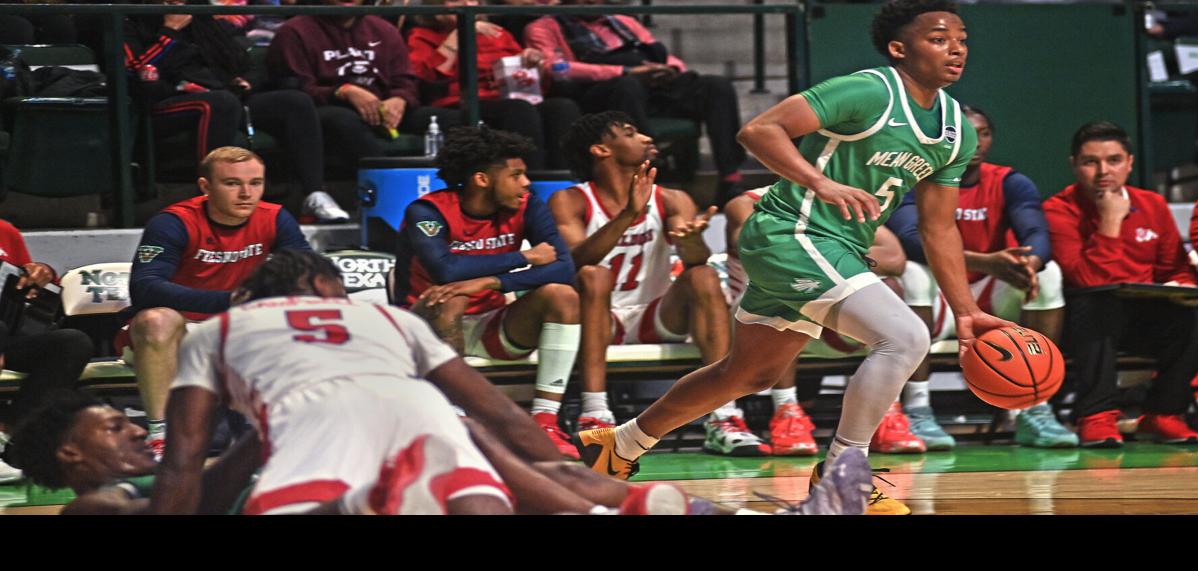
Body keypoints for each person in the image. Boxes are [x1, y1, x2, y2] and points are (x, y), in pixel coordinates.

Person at [576, 0, 1010, 515]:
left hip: (836, 246)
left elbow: (939, 228)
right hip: (791, 230)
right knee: (905, 336)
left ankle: (619, 445)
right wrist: (819, 181)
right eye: (938, 38)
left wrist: (964, 311)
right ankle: (844, 473)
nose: (955, 48)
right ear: (900, 49)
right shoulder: (868, 90)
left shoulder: (956, 130)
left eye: (960, 38)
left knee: (746, 375)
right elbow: (758, 130)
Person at [149, 250, 868, 515]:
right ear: (323, 286)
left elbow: (181, 458)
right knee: (570, 501)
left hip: (315, 447)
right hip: (427, 423)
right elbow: (491, 407)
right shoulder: (384, 321)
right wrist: (558, 467)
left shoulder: (218, 331)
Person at [549, 112, 761, 455]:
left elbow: (695, 261)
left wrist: (692, 241)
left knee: (704, 276)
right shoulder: (570, 200)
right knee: (593, 275)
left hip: (656, 315)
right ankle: (594, 413)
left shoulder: (671, 199)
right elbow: (572, 263)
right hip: (597, 318)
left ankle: (725, 416)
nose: (647, 138)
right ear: (601, 150)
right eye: (631, 133)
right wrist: (627, 216)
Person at [887, 103, 1077, 449]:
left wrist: (1029, 265)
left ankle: (1035, 408)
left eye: (983, 133)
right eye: (965, 132)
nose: (975, 142)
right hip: (939, 297)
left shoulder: (1009, 182)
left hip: (990, 296)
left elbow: (1037, 236)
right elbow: (911, 240)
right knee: (913, 273)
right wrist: (987, 261)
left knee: (1049, 275)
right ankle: (917, 408)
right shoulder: (913, 178)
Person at [393, 125, 582, 457]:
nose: (526, 183)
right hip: (424, 329)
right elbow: (445, 270)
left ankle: (546, 422)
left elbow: (563, 267)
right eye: (516, 175)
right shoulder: (428, 211)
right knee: (452, 297)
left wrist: (493, 282)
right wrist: (524, 257)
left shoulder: (528, 206)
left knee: (562, 295)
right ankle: (455, 420)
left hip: (491, 321)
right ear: (482, 179)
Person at [124, 146, 313, 460]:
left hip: (236, 331)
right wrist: (232, 300)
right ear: (205, 187)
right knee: (155, 320)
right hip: (177, 334)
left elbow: (311, 274)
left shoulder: (275, 217)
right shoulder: (174, 222)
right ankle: (160, 436)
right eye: (232, 184)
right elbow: (145, 288)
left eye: (255, 183)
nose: (246, 194)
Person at [719, 185, 916, 456]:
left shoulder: (838, 196)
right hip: (761, 310)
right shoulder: (745, 201)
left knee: (891, 294)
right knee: (788, 293)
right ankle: (786, 411)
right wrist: (837, 252)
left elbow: (895, 258)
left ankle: (889, 412)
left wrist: (828, 255)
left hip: (830, 312)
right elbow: (764, 247)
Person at [1043, 120, 1198, 447]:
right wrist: (1110, 221)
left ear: (1129, 163)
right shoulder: (1058, 210)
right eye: (1090, 162)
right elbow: (1086, 279)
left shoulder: (1152, 204)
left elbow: (1175, 267)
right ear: (1074, 166)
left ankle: (1164, 414)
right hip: (1082, 323)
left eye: (1113, 160)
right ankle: (1096, 416)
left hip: (1144, 315)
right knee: (1096, 301)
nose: (1103, 171)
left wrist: (1179, 287)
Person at [124, 0, 348, 221]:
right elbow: (139, 75)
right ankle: (211, 199)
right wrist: (169, 32)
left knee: (295, 102)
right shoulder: (130, 19)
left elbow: (242, 61)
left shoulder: (199, 17)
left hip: (222, 95)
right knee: (220, 102)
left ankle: (314, 194)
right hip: (162, 104)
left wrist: (244, 80)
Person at [510, 0, 748, 207]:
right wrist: (625, 71)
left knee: (715, 86)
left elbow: (659, 50)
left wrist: (669, 68)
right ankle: (648, 172)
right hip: (598, 93)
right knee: (627, 86)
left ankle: (730, 179)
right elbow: (558, 68)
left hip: (653, 87)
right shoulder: (545, 26)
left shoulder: (623, 21)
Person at [268, 0, 457, 175]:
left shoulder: (383, 29)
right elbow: (296, 90)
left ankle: (458, 192)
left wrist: (399, 98)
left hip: (384, 107)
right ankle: (389, 187)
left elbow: (405, 79)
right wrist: (344, 91)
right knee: (343, 120)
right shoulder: (294, 31)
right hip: (329, 109)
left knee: (453, 120)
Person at [5, 390, 262, 514]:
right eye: (115, 428)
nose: (139, 432)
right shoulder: (88, 509)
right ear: (72, 453)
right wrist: (263, 434)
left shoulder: (170, 482)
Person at [405, 0, 580, 171]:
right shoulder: (420, 36)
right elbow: (427, 80)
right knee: (519, 109)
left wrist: (533, 64)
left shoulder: (498, 34)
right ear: (437, 8)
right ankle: (529, 180)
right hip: (460, 103)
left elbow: (524, 78)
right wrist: (461, 34)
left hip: (508, 99)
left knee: (562, 107)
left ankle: (565, 179)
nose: (467, 5)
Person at [0, 219, 93, 485]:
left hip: (8, 332)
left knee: (73, 342)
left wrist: (40, 273)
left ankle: (11, 436)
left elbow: (26, 278)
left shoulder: (5, 231)